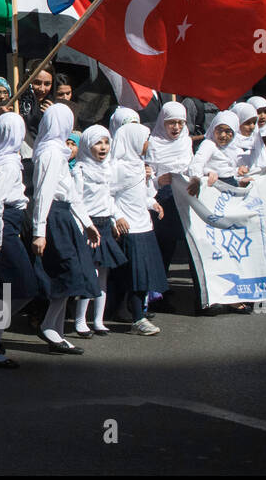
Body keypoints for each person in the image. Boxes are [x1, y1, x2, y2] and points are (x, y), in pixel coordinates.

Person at [0, 112, 45, 367]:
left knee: (12, 289)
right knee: (24, 286)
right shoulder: (8, 163)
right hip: (4, 226)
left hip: (6, 224)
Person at [31, 104, 101, 354]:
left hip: (64, 215)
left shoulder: (58, 151)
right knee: (67, 273)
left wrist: (87, 223)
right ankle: (49, 324)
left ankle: (56, 331)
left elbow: (71, 193)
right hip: (54, 218)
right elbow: (44, 193)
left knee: (71, 274)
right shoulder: (50, 152)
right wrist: (39, 231)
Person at [108, 123, 167, 335]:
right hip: (130, 229)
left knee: (145, 275)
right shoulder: (118, 168)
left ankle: (138, 312)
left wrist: (152, 203)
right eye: (144, 139)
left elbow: (140, 195)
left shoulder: (138, 165)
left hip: (144, 226)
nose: (147, 143)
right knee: (136, 276)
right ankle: (137, 318)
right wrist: (117, 216)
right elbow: (107, 194)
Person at [70, 126, 127, 338]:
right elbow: (76, 201)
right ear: (87, 145)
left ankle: (98, 320)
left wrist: (116, 216)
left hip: (104, 225)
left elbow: (108, 198)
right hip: (89, 226)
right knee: (90, 273)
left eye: (106, 142)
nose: (103, 147)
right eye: (97, 143)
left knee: (103, 273)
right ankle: (80, 319)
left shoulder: (108, 169)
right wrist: (85, 225)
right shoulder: (81, 170)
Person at [145, 101, 195, 307]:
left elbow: (192, 167)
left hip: (183, 197)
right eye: (171, 122)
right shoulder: (153, 143)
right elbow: (147, 176)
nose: (176, 127)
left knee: (178, 244)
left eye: (180, 123)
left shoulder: (186, 142)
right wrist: (158, 180)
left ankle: (164, 286)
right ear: (162, 122)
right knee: (162, 245)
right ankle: (156, 292)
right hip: (161, 197)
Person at [187, 111, 245, 191]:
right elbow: (197, 163)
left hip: (230, 184)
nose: (223, 135)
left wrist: (239, 173)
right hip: (214, 186)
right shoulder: (209, 144)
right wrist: (196, 179)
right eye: (219, 130)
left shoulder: (233, 148)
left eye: (228, 131)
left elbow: (228, 170)